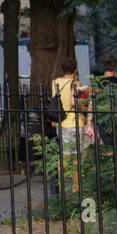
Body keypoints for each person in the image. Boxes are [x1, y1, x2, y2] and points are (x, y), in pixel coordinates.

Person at [50, 57, 94, 196]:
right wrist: (86, 104)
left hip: (61, 123)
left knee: (64, 156)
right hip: (75, 123)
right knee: (79, 156)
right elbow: (75, 103)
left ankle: (61, 188)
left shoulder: (55, 82)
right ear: (75, 70)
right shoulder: (76, 83)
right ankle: (76, 188)